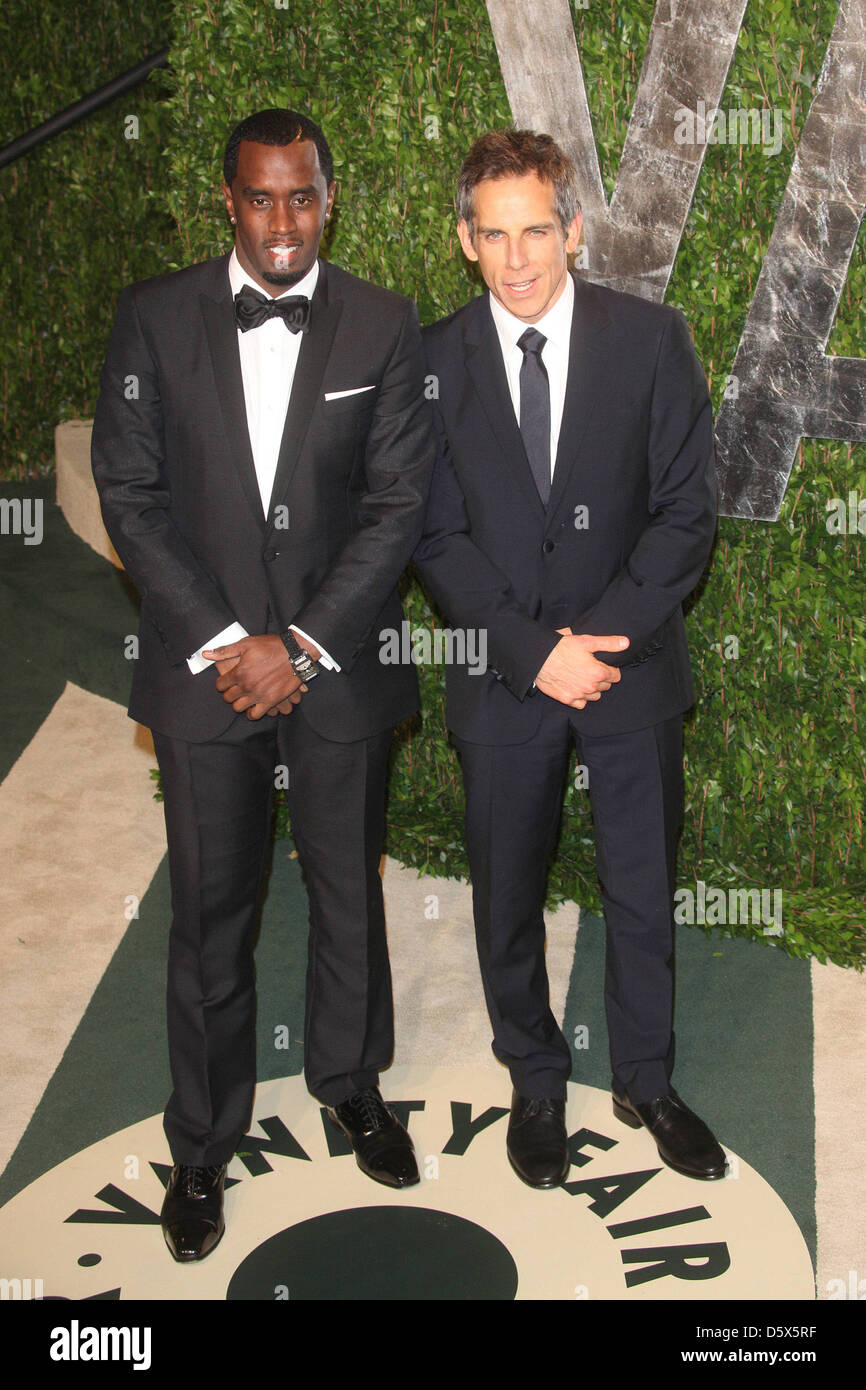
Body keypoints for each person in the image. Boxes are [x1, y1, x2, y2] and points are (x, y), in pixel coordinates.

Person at [91, 108, 435, 1261]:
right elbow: (129, 497)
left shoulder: (384, 325)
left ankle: (350, 1083)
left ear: (328, 199)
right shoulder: (152, 315)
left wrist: (299, 645)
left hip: (331, 671)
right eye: (258, 198)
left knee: (348, 892)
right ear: (225, 203)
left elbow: (396, 507)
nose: (280, 222)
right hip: (204, 678)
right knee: (209, 916)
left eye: (300, 198)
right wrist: (230, 639)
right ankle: (200, 1145)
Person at [413, 129, 725, 1189]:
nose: (517, 258)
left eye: (535, 230)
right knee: (505, 891)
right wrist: (530, 652)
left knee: (641, 889)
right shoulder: (431, 361)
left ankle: (645, 1077)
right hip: (504, 676)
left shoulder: (649, 341)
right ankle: (534, 1080)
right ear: (465, 240)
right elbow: (433, 533)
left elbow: (686, 513)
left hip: (628, 668)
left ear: (573, 230)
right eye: (493, 235)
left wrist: (601, 640)